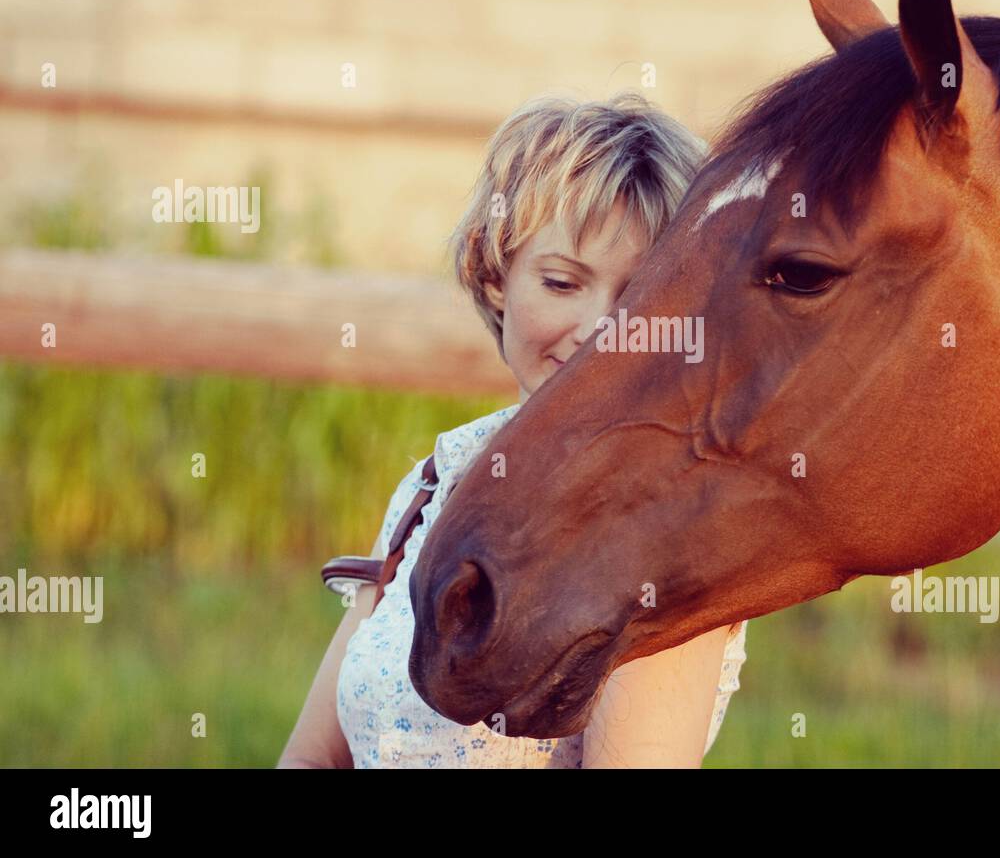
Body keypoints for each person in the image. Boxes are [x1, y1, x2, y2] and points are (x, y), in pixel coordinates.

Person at [279, 92, 748, 768]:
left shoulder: (667, 534)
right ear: (496, 274)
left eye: (640, 297)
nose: (600, 331)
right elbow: (312, 759)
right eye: (561, 282)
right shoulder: (438, 480)